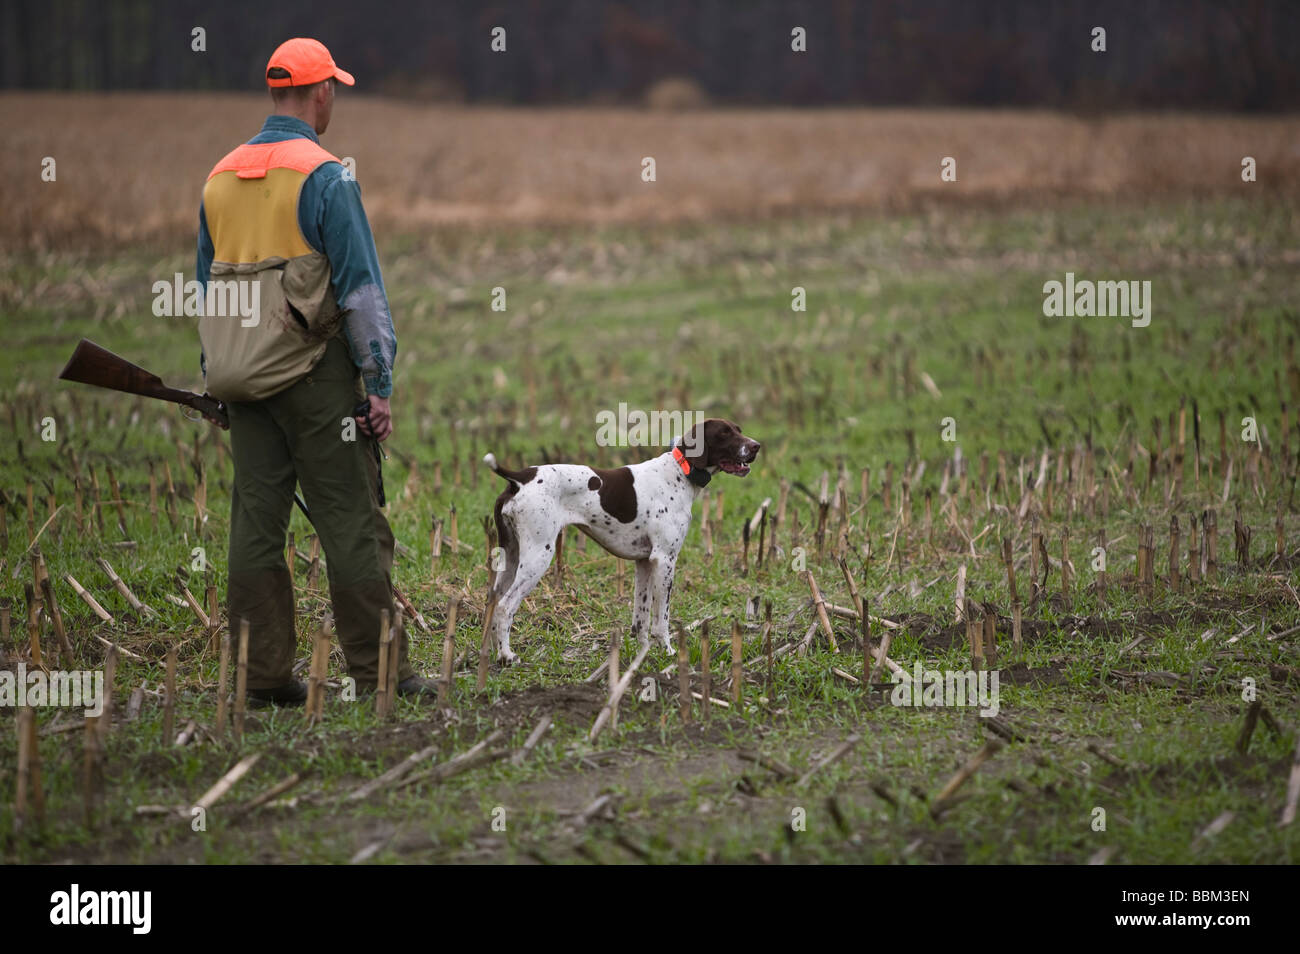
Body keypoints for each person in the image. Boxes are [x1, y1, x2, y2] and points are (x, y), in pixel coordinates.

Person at [196, 37, 435, 705]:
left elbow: (207, 291)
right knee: (351, 519)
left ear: (277, 91)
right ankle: (381, 675)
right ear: (321, 92)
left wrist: (216, 373)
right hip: (316, 379)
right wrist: (379, 383)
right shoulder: (326, 176)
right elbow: (360, 291)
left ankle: (261, 677)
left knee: (254, 523)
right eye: (335, 89)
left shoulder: (218, 177)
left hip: (241, 380)